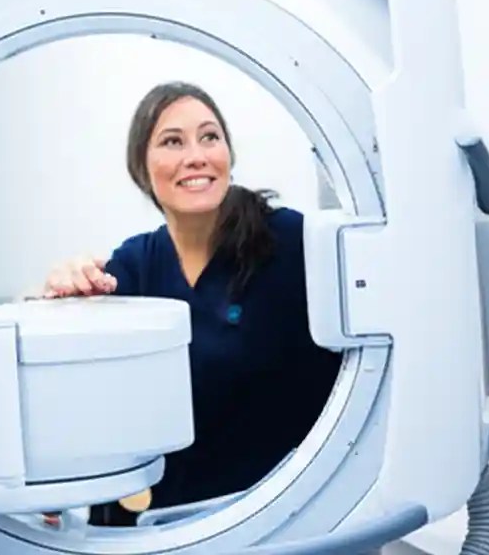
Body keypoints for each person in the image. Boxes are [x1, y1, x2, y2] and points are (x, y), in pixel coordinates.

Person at [40, 81, 343, 517]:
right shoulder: (137, 263)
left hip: (276, 523)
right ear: (142, 170)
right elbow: (74, 373)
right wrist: (60, 289)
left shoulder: (290, 245)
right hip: (161, 527)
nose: (196, 155)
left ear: (228, 156)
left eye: (209, 137)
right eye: (172, 141)